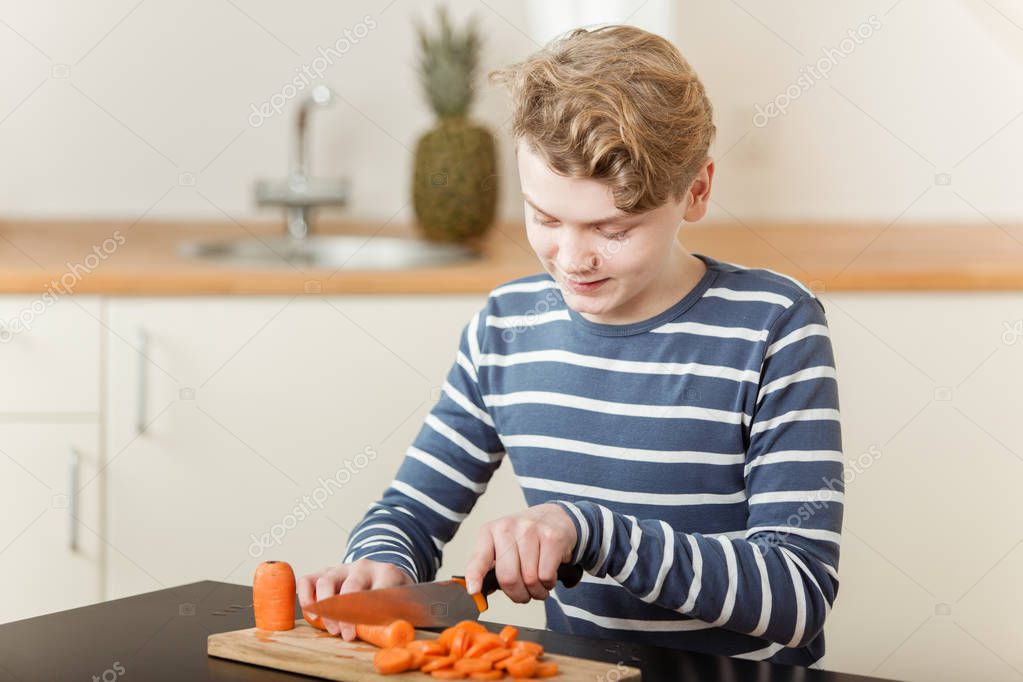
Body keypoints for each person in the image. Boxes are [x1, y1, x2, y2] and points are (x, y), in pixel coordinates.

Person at [298, 24, 843, 667]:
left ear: (696, 190)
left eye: (613, 229)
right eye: (546, 218)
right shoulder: (506, 329)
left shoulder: (775, 326)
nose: (573, 259)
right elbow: (411, 512)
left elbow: (798, 595)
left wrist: (592, 532)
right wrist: (380, 563)